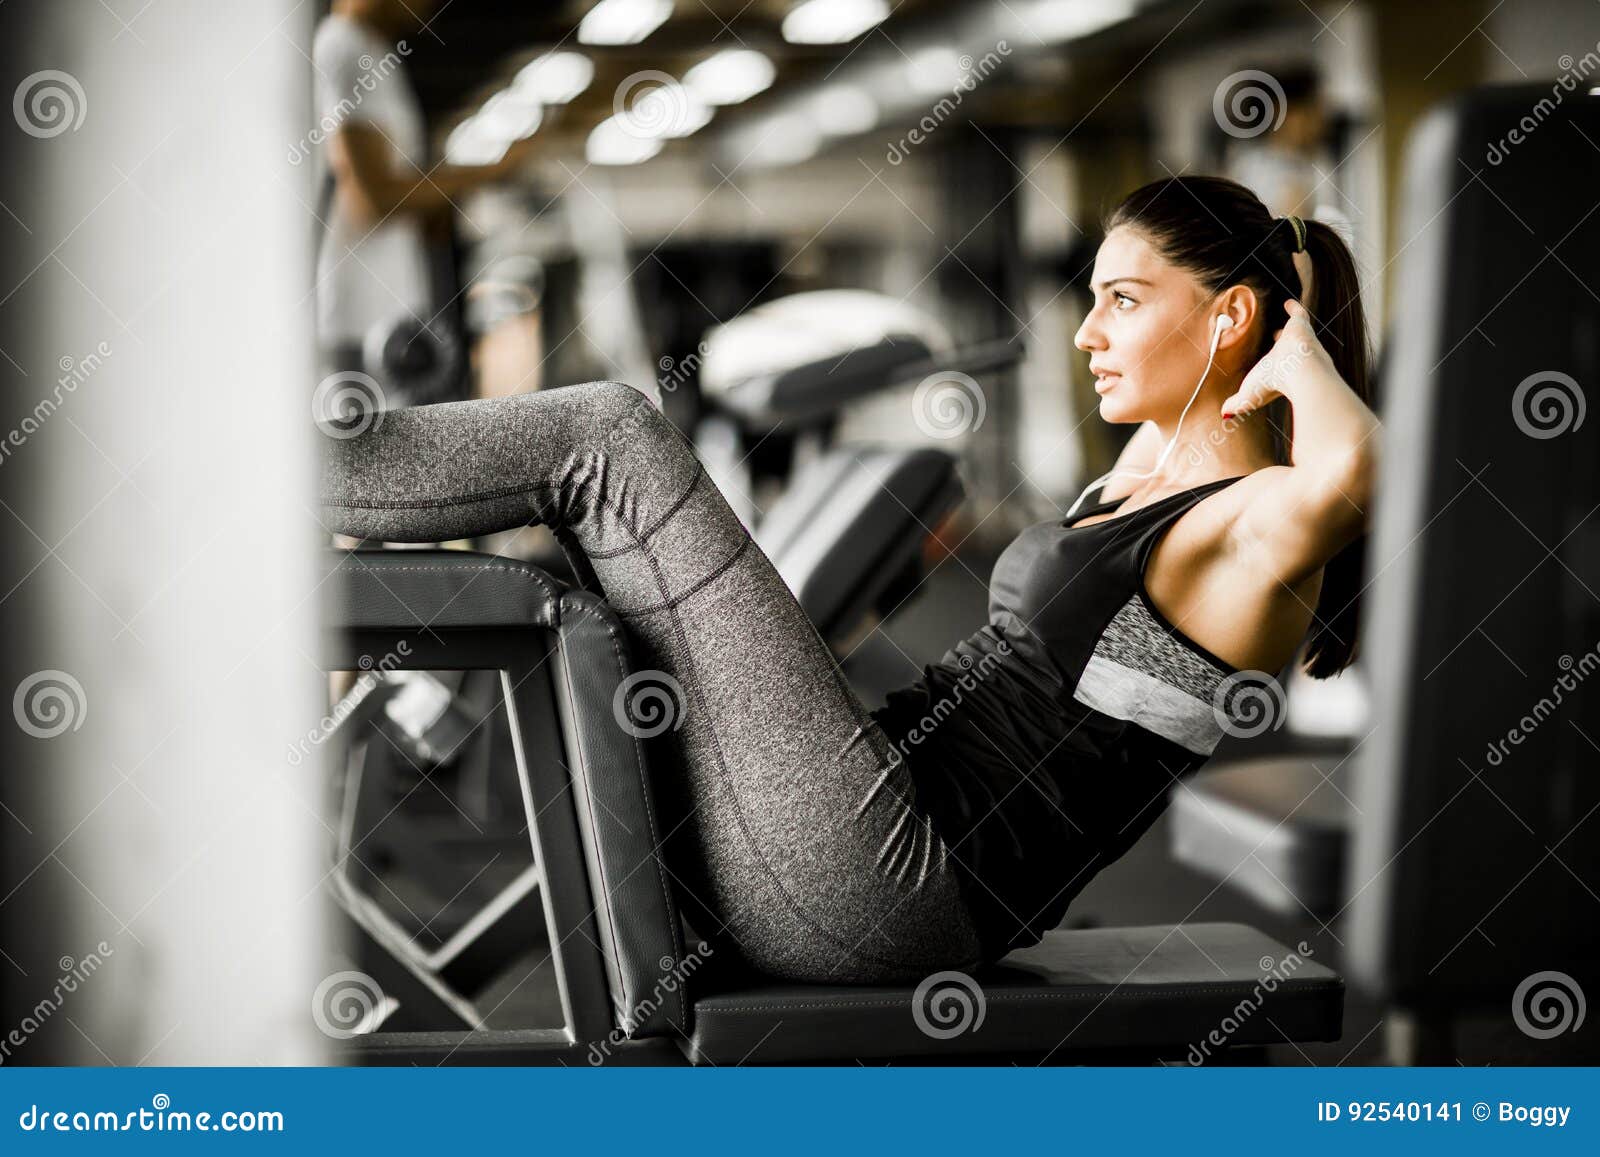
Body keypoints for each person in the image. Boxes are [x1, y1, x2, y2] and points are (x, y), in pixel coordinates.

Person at [316, 176, 1380, 984]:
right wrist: (1277, 303)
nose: (1089, 330)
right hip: (872, 836)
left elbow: (1359, 466)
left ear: (1231, 317)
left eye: (1125, 300)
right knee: (599, 569)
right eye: (1093, 298)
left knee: (607, 435)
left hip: (895, 877)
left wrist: (1297, 351)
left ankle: (277, 478)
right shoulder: (1153, 471)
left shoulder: (1248, 527)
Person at [312, 0, 530, 392]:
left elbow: (404, 194)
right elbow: (374, 198)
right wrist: (490, 169)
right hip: (362, 320)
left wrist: (440, 201)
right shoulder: (342, 46)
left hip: (394, 313)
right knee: (367, 448)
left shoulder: (376, 51)